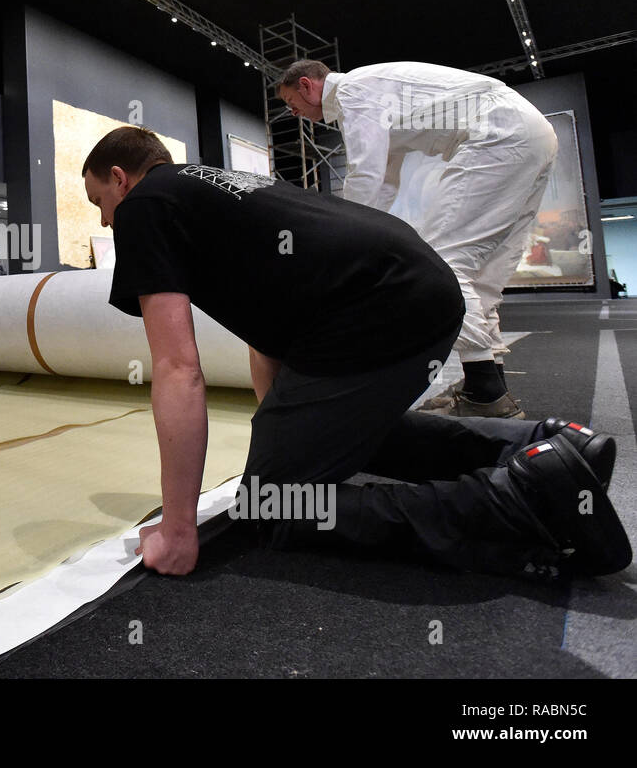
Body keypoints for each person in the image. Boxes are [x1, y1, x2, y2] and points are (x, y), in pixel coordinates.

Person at [82, 125, 628, 582]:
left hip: (374, 308)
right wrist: (293, 433)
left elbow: (178, 368)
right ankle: (548, 445)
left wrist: (179, 530)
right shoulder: (215, 187)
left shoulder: (145, 208)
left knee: (273, 505)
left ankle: (515, 503)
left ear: (120, 179)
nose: (105, 221)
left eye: (99, 203)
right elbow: (266, 325)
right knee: (339, 439)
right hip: (415, 286)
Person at [277, 60, 557, 419]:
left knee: (445, 267)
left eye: (291, 103)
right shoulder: (370, 91)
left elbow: (366, 172)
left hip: (498, 134)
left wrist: (338, 237)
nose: (293, 112)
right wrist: (367, 232)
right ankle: (485, 387)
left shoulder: (352, 92)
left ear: (306, 85)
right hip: (531, 133)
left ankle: (486, 392)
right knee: (479, 274)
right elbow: (385, 180)